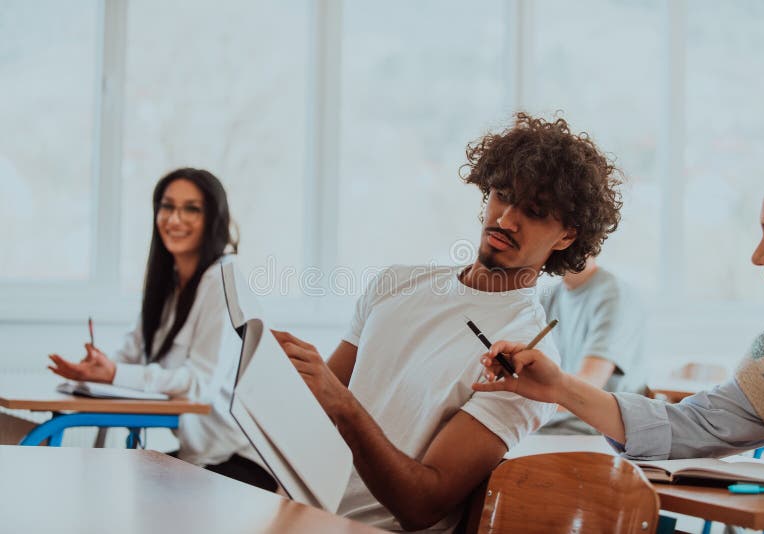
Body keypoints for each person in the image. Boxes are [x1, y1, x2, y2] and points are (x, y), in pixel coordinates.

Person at [272, 113, 624, 532]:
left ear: (567, 236)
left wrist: (343, 404)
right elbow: (310, 416)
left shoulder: (528, 363)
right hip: (296, 517)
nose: (506, 219)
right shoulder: (396, 283)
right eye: (502, 195)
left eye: (534, 211)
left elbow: (422, 504)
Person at [474, 159, 764, 461]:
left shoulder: (612, 296)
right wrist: (558, 386)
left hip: (580, 435)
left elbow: (596, 378)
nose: (757, 257)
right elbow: (698, 426)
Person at [47, 168, 276, 491]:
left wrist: (114, 374)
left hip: (241, 461)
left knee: (123, 491)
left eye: (191, 209)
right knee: (107, 484)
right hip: (198, 456)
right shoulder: (169, 287)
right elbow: (131, 353)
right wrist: (95, 368)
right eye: (167, 206)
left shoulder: (223, 279)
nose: (174, 219)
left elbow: (199, 384)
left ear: (214, 218)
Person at [538, 255, 647, 435]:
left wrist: (527, 399)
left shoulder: (614, 296)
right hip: (550, 424)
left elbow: (590, 384)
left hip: (591, 431)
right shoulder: (550, 296)